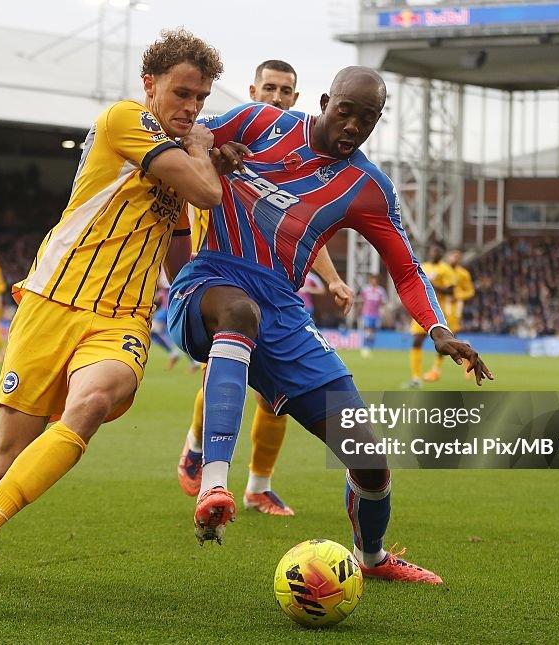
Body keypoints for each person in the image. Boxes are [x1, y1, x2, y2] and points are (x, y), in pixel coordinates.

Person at [0, 29, 227, 595]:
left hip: (122, 319)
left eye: (201, 99)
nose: (191, 108)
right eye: (182, 93)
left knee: (90, 402)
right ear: (149, 85)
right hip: (51, 302)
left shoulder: (180, 164)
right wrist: (206, 154)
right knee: (3, 461)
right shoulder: (124, 121)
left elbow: (179, 257)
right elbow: (205, 191)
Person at [168, 66, 493, 584]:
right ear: (325, 101)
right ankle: (213, 484)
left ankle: (374, 559)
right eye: (346, 111)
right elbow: (178, 131)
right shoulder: (259, 122)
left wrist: (438, 328)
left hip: (282, 310)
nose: (354, 127)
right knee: (238, 313)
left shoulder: (368, 187)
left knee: (369, 459)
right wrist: (208, 147)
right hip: (210, 280)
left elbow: (406, 269)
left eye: (369, 119)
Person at [176, 59, 354, 518]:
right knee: (228, 369)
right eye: (269, 88)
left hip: (275, 290)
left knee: (276, 396)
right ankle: (198, 449)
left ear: (296, 100)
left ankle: (259, 485)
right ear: (252, 90)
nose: (276, 97)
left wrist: (331, 278)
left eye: (285, 91)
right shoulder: (217, 140)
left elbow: (301, 231)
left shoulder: (292, 159)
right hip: (220, 281)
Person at [407, 245, 454, 388]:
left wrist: (432, 285)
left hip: (438, 310)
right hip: (421, 309)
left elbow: (450, 290)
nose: (435, 253)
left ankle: (435, 370)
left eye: (438, 251)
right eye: (433, 250)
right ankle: (416, 377)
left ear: (441, 255)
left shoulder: (446, 269)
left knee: (443, 342)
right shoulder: (423, 266)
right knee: (416, 341)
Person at [425, 248, 474, 381]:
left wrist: (458, 296)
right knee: (449, 339)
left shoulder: (463, 274)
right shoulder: (442, 270)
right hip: (440, 306)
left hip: (453, 310)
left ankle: (436, 371)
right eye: (453, 255)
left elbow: (470, 291)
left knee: (447, 339)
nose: (455, 258)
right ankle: (468, 356)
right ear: (448, 256)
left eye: (458, 256)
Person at [358, 274, 387, 358]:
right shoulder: (366, 290)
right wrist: (359, 310)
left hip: (376, 314)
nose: (374, 281)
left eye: (375, 280)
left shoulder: (381, 291)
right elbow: (361, 300)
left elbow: (384, 302)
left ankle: (370, 348)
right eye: (372, 280)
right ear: (370, 280)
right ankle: (365, 348)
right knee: (367, 330)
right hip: (367, 313)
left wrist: (380, 303)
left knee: (373, 332)